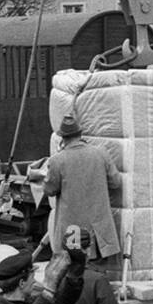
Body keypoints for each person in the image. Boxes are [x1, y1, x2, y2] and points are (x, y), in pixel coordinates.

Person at [42, 113, 121, 265]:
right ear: (80, 134)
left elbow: (49, 190)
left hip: (73, 232)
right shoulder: (101, 153)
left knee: (73, 273)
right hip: (99, 230)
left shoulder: (57, 160)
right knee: (97, 275)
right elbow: (116, 182)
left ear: (62, 138)